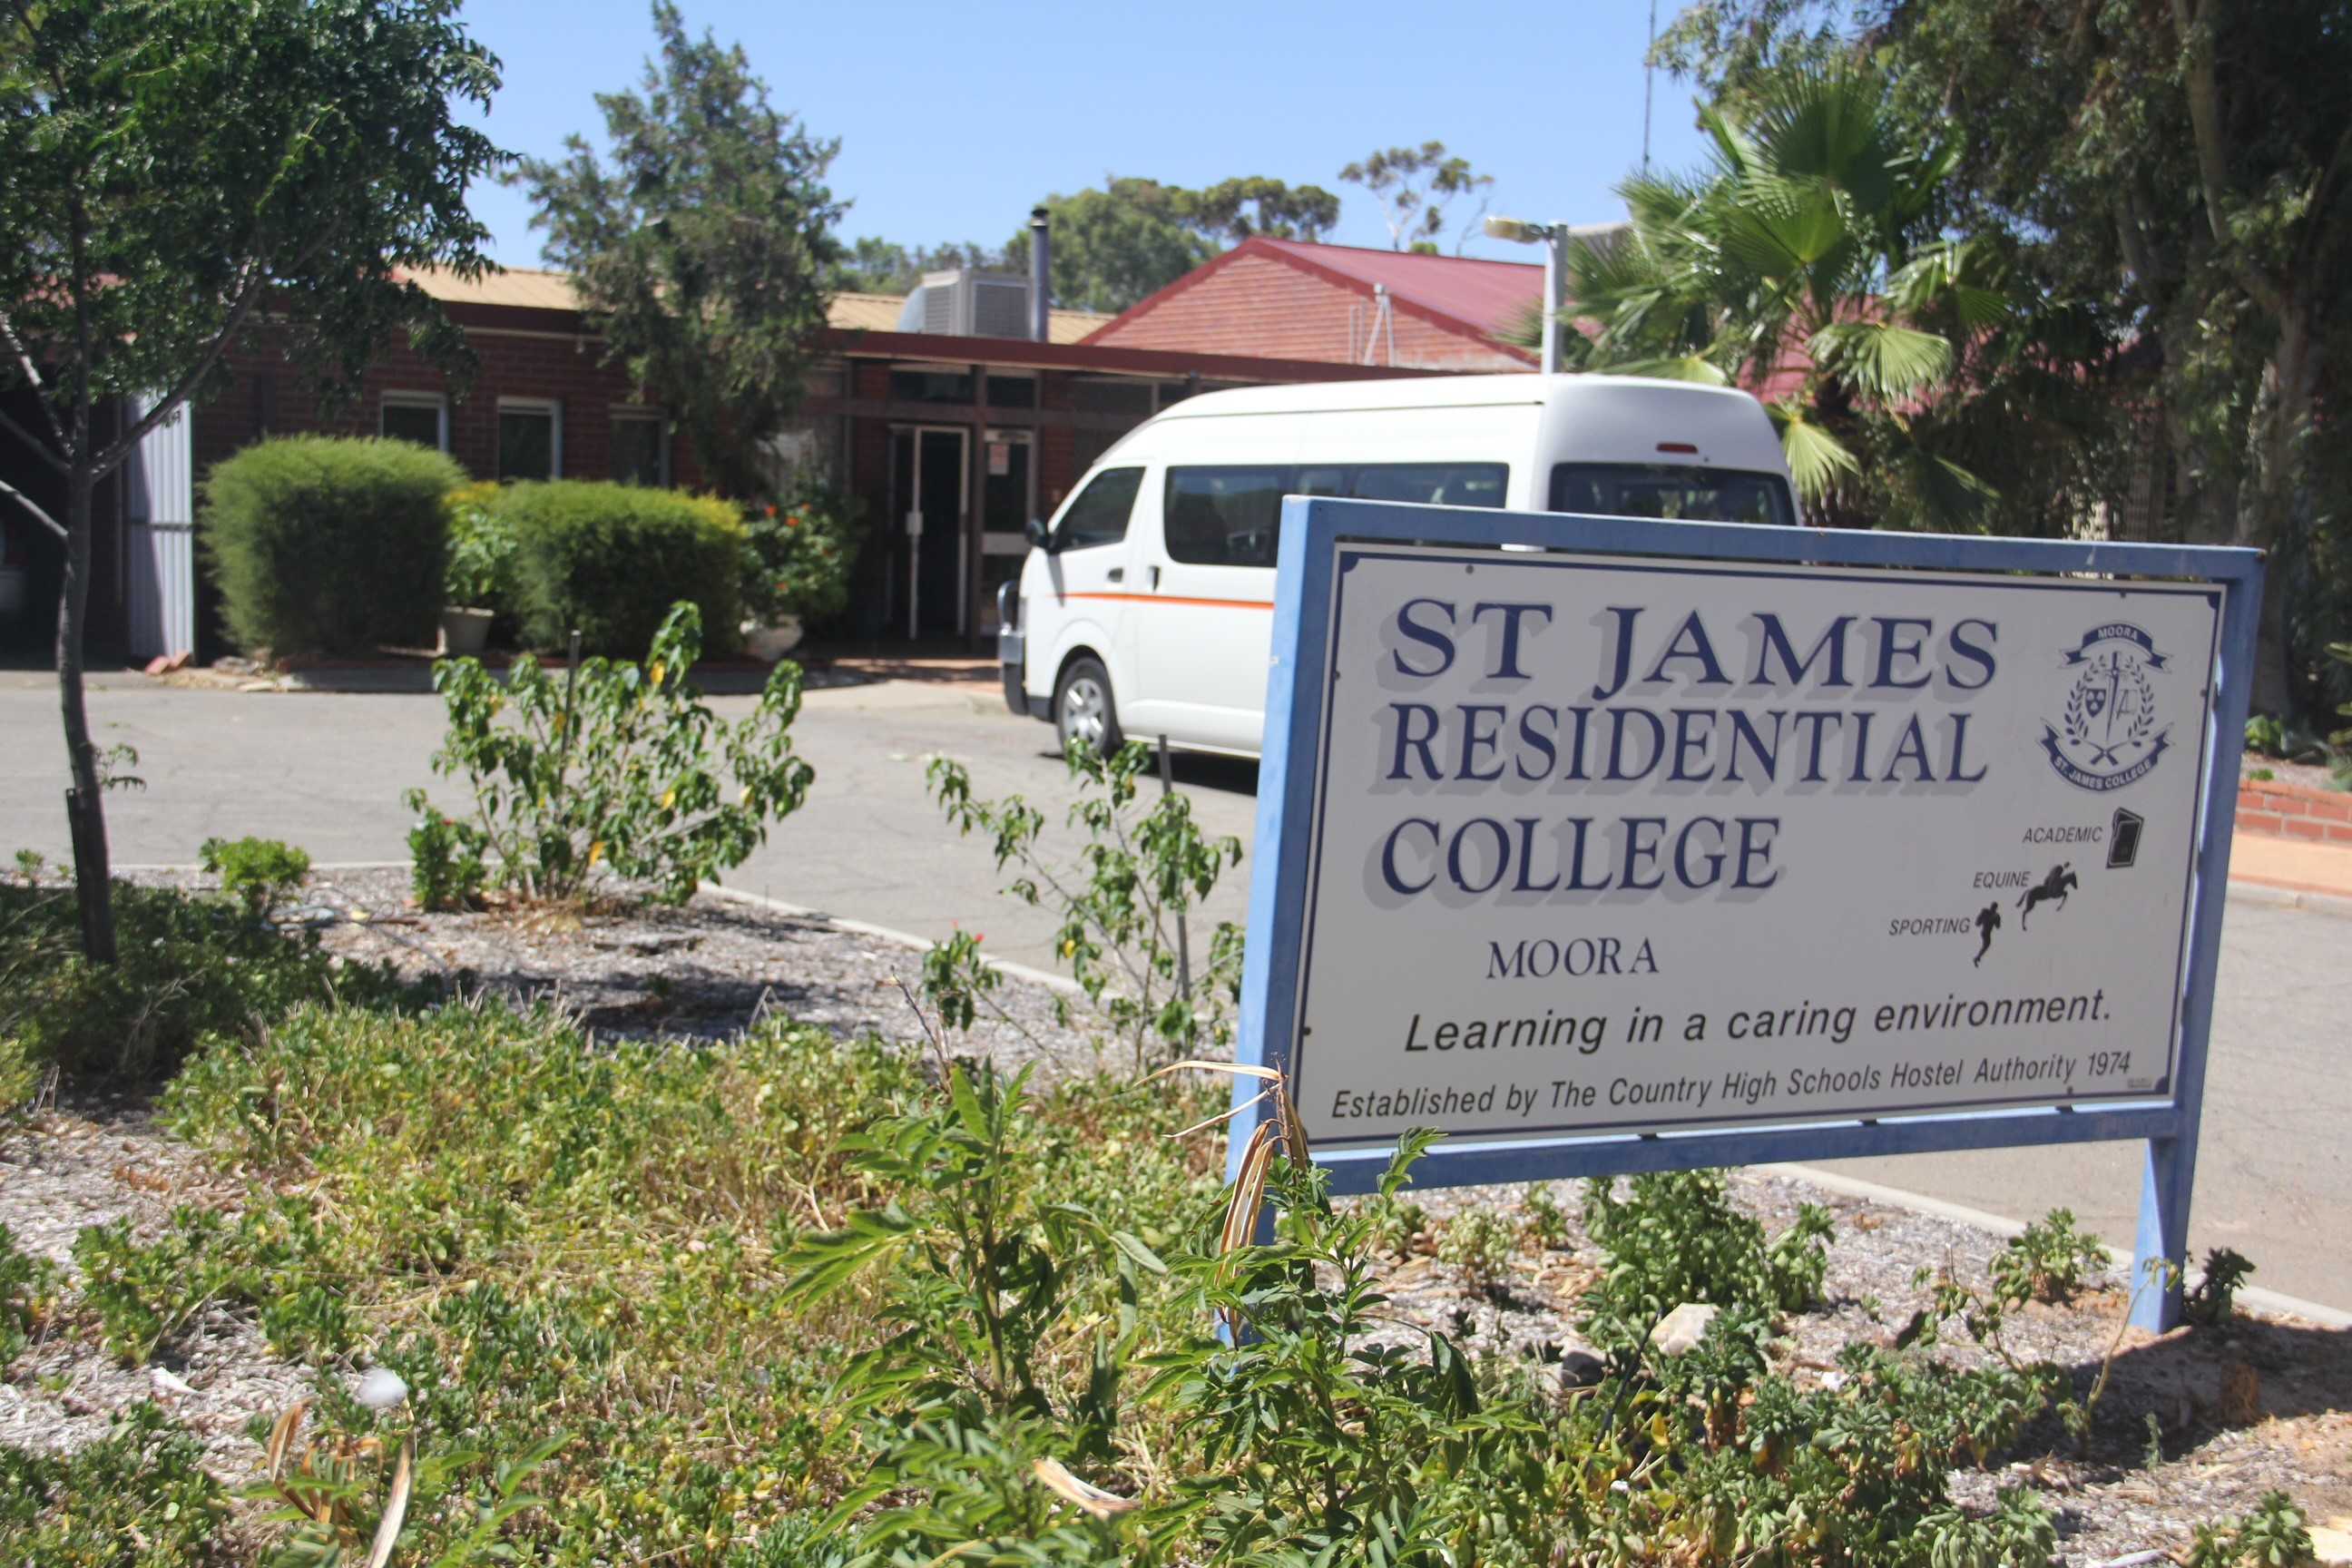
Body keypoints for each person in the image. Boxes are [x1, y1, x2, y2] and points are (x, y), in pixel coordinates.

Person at [1973, 900, 2001, 967]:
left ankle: (1978, 957)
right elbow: (1977, 923)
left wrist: (1996, 919)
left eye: (1994, 907)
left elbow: (1998, 926)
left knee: (1986, 945)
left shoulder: (1995, 915)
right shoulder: (1986, 912)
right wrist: (1984, 920)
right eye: (1993, 907)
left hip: (1986, 932)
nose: (1993, 908)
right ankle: (1977, 957)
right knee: (1986, 945)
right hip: (1985, 932)